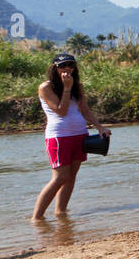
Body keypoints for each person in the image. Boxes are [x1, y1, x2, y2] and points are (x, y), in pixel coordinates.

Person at [32, 53, 110, 220]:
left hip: (80, 134)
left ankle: (61, 212)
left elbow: (85, 110)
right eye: (62, 66)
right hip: (59, 136)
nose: (67, 69)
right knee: (60, 177)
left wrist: (100, 126)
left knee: (71, 176)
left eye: (70, 65)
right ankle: (37, 218)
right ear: (54, 68)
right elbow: (61, 110)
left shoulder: (78, 86)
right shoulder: (46, 87)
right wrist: (66, 88)